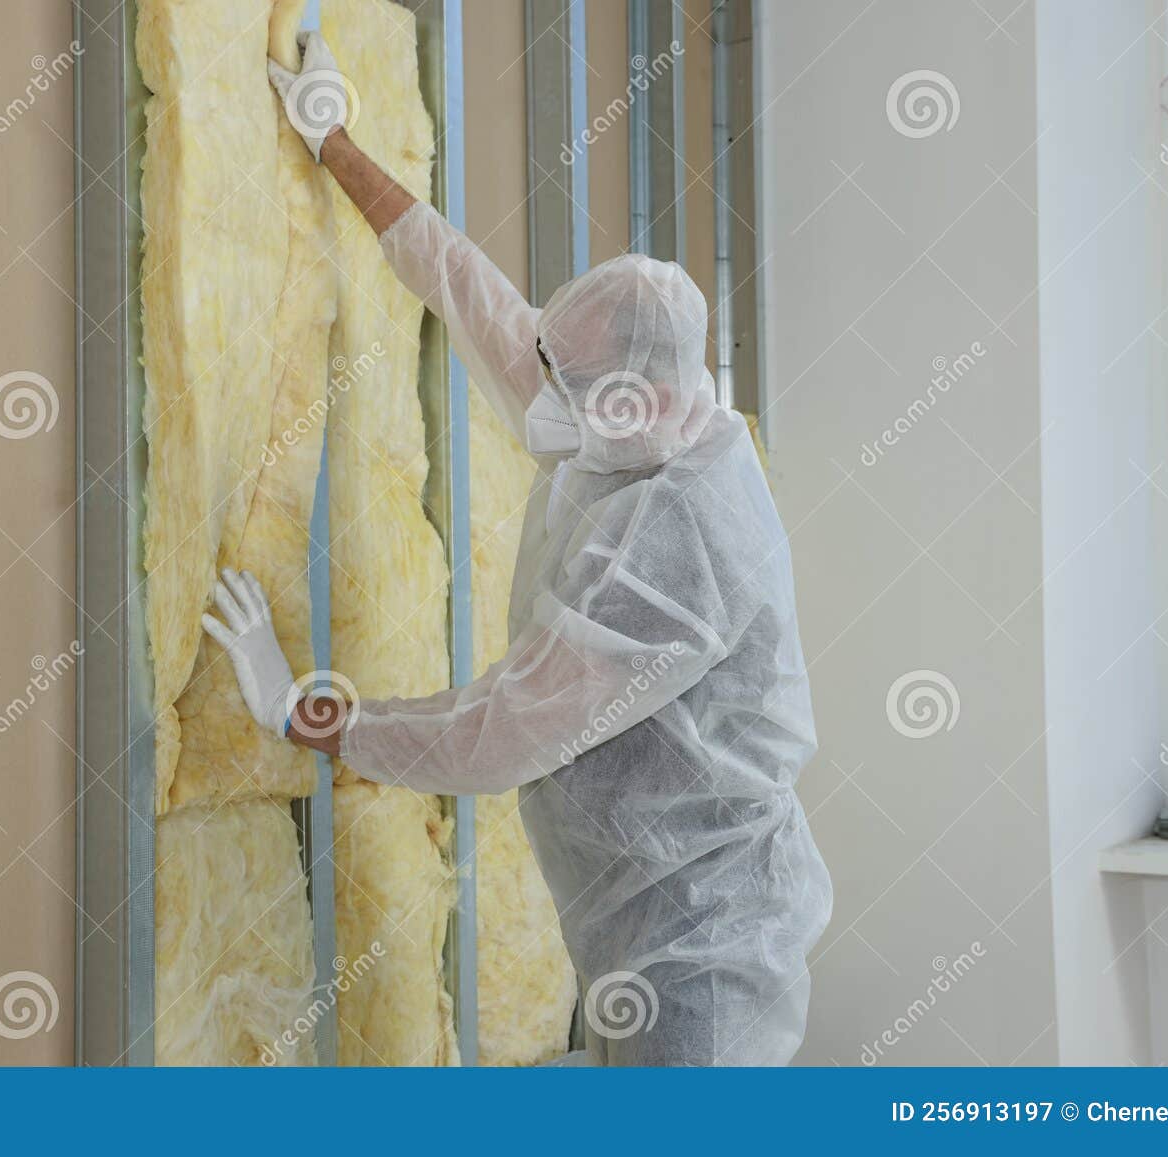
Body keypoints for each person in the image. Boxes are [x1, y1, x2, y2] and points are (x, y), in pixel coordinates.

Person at [200, 33, 832, 1066]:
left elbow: (504, 730)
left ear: (636, 402)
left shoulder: (678, 547)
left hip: (701, 960)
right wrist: (335, 142)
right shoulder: (648, 412)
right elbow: (476, 299)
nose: (544, 398)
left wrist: (304, 713)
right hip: (633, 921)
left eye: (569, 388)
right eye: (555, 369)